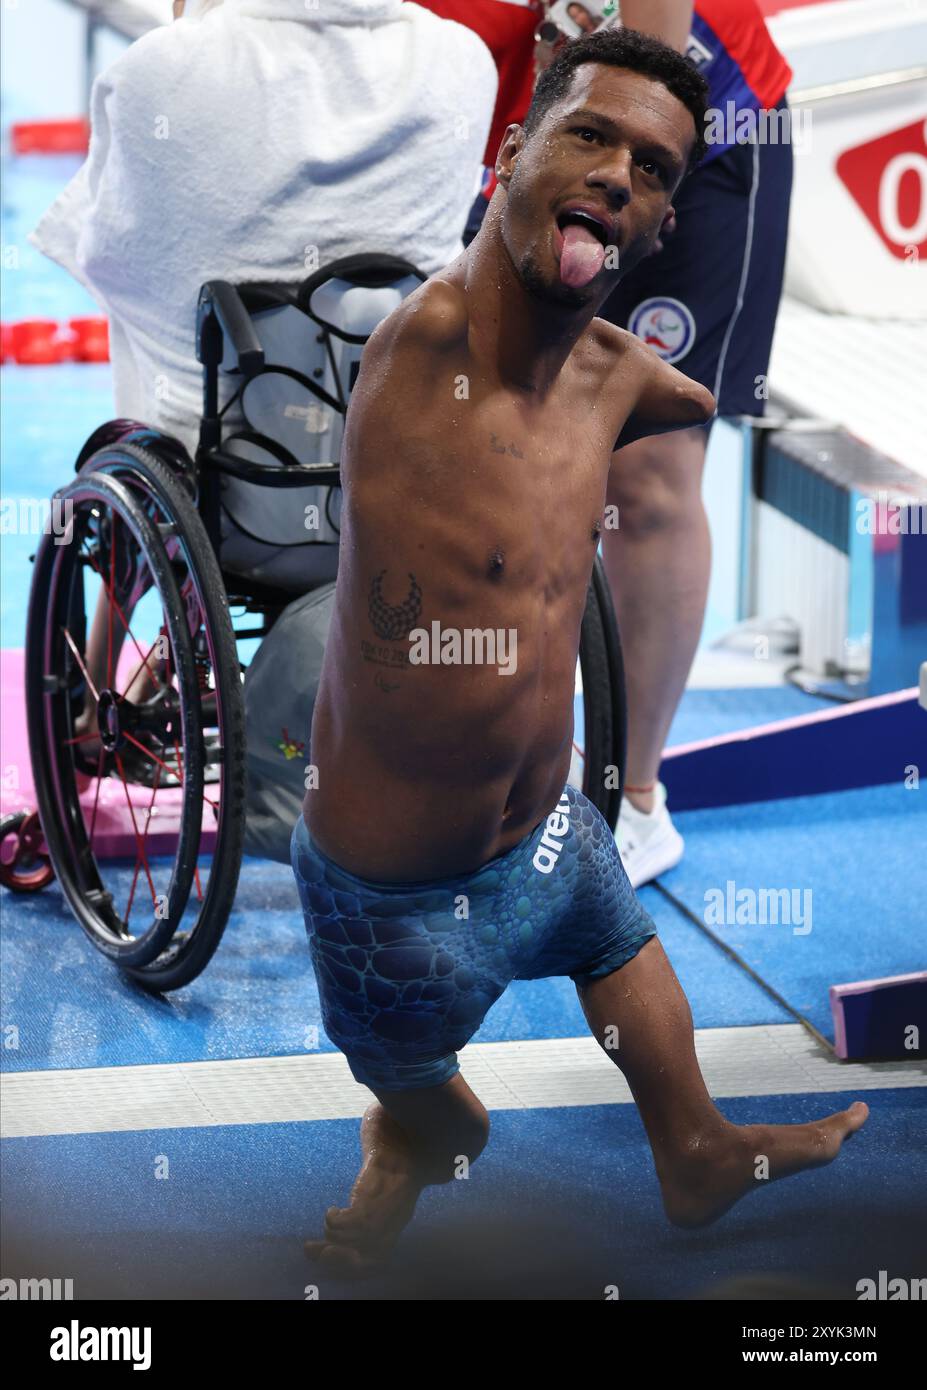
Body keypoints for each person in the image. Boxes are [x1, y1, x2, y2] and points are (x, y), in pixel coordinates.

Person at [292, 28, 867, 1277]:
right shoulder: (431, 346)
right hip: (394, 904)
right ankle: (410, 1143)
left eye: (653, 168)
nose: (617, 173)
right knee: (444, 1126)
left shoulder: (610, 373)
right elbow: (515, 307)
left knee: (621, 944)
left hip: (546, 841)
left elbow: (681, 395)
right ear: (512, 157)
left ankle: (696, 1149)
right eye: (587, 137)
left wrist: (684, 376)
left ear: (663, 223)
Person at [29, 0, 496, 734]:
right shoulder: (462, 60)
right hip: (399, 464)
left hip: (221, 480)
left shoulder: (162, 69)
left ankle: (106, 683)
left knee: (156, 340)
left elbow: (111, 256)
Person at [424, 0, 795, 887]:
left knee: (649, 472)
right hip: (527, 120)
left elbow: (647, 73)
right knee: (479, 428)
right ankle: (508, 765)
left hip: (685, 118)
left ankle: (632, 799)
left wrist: (622, 190)